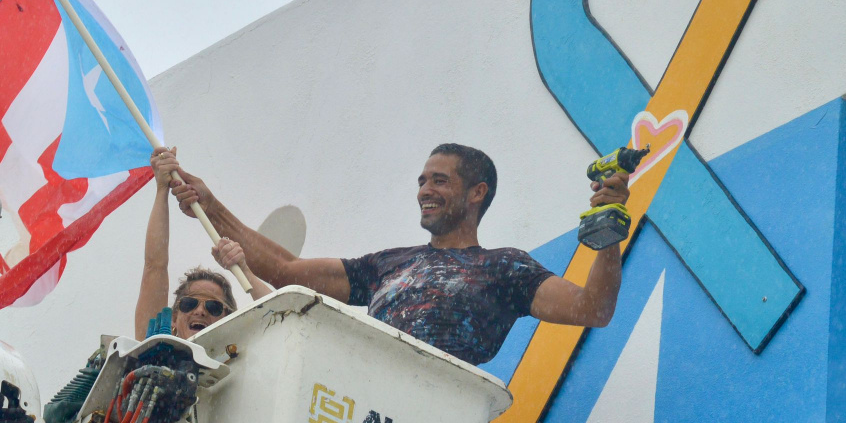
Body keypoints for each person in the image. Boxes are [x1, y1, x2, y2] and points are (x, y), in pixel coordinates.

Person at [165, 143, 629, 365]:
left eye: (440, 181)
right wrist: (209, 204)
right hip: (360, 410)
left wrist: (608, 233)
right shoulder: (389, 264)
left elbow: (593, 308)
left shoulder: (504, 267)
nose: (425, 190)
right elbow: (286, 272)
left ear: (476, 193)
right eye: (422, 181)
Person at [133, 148, 272, 341]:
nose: (200, 311)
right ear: (173, 318)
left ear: (227, 319)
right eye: (189, 304)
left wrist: (245, 271)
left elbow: (281, 316)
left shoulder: (239, 360)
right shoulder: (154, 349)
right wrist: (162, 189)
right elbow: (154, 266)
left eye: (213, 307)